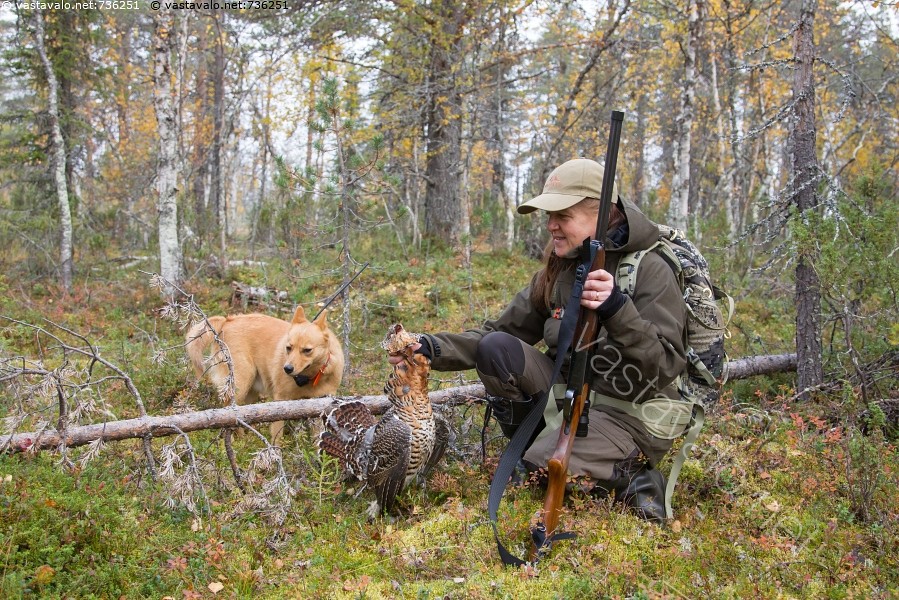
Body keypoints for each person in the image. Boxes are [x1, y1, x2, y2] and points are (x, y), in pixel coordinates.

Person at [390, 158, 688, 523]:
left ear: (600, 215)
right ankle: (537, 445)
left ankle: (635, 478)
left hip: (633, 414)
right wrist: (430, 347)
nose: (551, 226)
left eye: (563, 215)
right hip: (571, 397)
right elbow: (498, 333)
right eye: (549, 215)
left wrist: (617, 309)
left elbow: (664, 367)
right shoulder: (562, 267)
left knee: (541, 471)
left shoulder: (651, 268)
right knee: (496, 350)